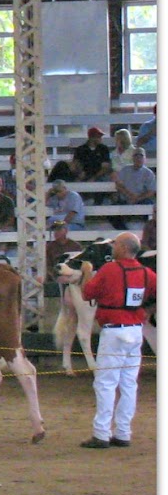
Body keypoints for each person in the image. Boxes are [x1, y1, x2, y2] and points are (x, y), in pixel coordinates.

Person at [79, 232, 156, 449]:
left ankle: (101, 433)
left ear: (122, 248)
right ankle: (123, 432)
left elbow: (87, 293)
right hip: (135, 330)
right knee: (128, 383)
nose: (112, 248)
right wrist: (147, 310)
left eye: (115, 244)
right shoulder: (145, 272)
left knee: (105, 383)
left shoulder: (110, 269)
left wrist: (86, 273)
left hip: (114, 331)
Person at [109, 147, 155, 228]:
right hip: (125, 199)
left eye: (141, 156)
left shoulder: (149, 173)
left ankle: (147, 231)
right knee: (111, 212)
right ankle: (124, 231)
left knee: (151, 208)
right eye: (136, 156)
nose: (138, 158)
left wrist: (137, 198)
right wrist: (129, 195)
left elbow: (151, 191)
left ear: (144, 159)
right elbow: (118, 185)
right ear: (132, 158)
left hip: (141, 200)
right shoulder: (125, 170)